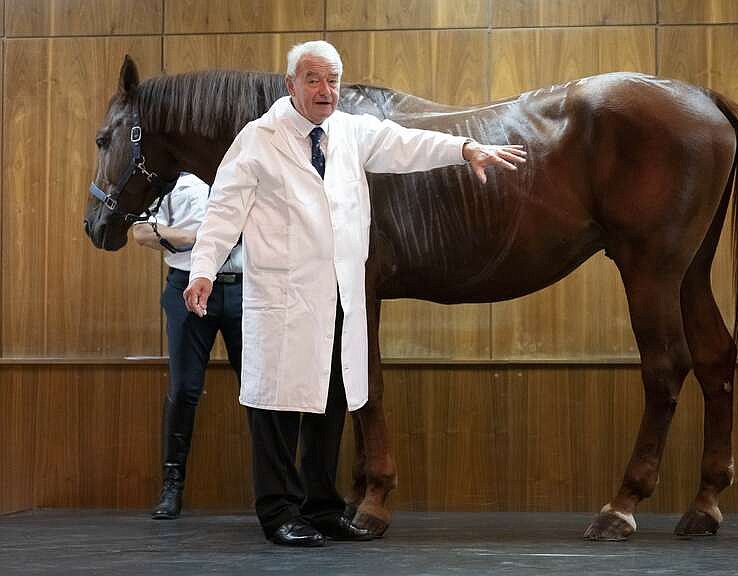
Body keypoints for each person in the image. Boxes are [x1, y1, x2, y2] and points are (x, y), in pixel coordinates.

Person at [183, 40, 526, 547]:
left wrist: (463, 149)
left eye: (333, 81)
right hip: (284, 297)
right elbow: (223, 211)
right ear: (291, 85)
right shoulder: (257, 140)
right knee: (276, 409)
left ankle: (321, 506)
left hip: (339, 297)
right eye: (314, 80)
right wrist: (203, 269)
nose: (326, 91)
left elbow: (407, 143)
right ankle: (278, 512)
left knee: (331, 402)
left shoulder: (350, 132)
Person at [132, 173, 244, 520]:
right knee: (184, 389)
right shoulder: (172, 180)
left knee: (262, 391)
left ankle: (280, 490)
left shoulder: (244, 172)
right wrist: (197, 238)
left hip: (245, 288)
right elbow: (140, 230)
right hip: (186, 287)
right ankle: (171, 486)